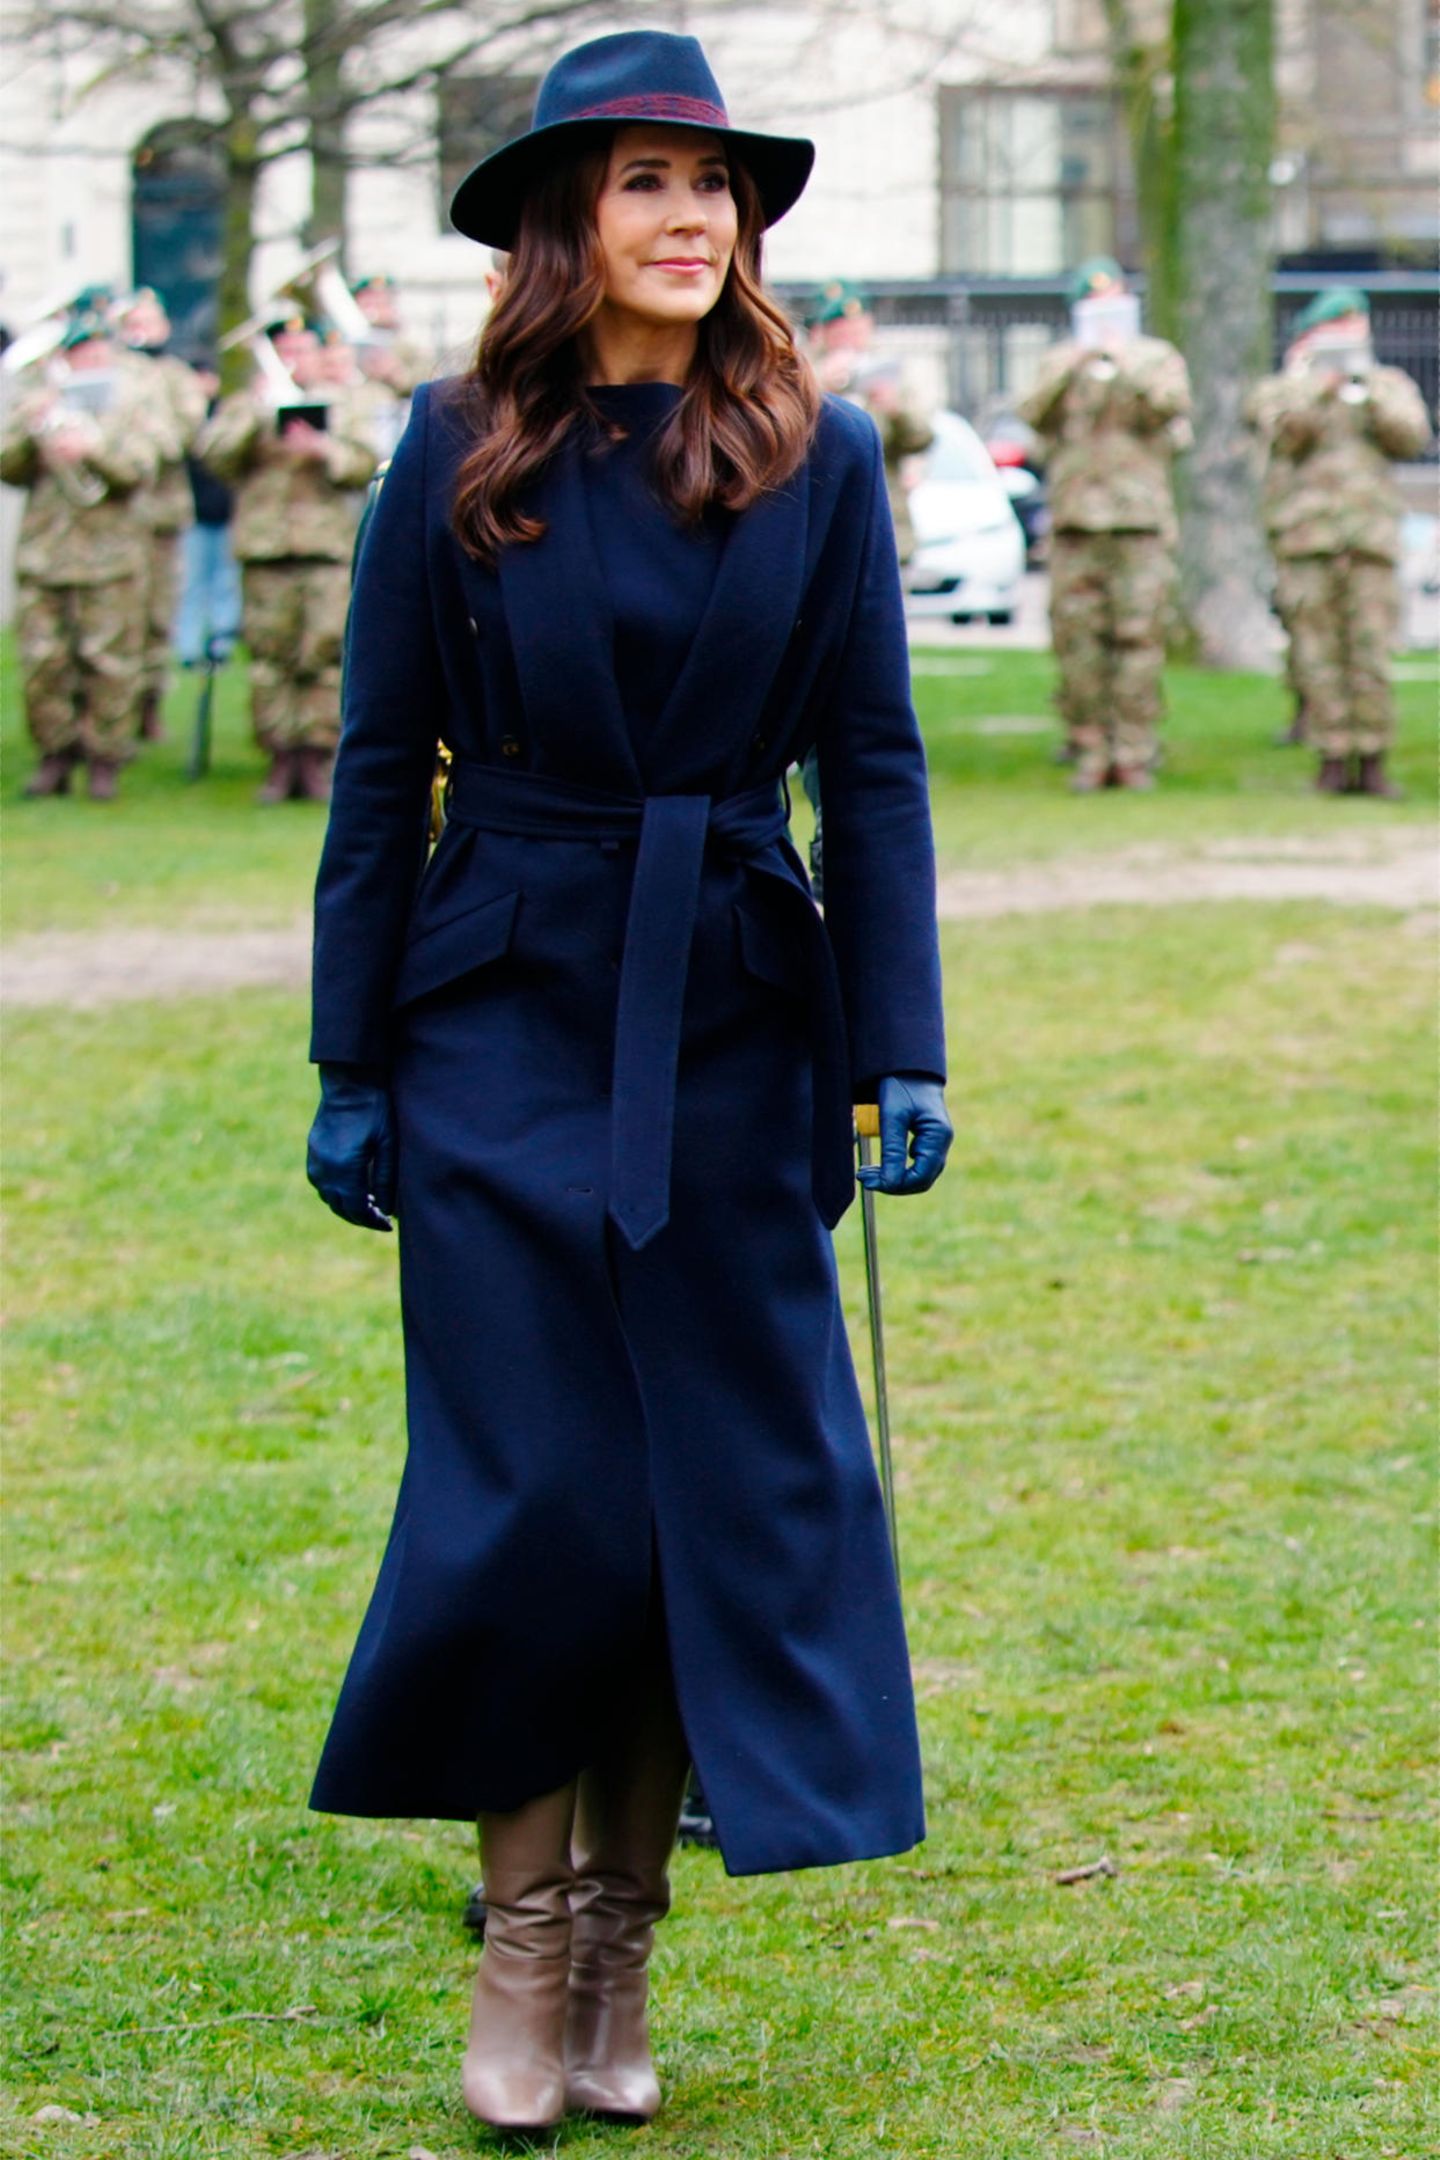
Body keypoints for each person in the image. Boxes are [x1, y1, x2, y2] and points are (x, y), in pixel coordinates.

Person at [303, 28, 952, 2137]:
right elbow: (377, 769)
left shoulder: (818, 452)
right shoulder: (453, 443)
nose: (695, 217)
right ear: (562, 222)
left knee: (701, 1508)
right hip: (496, 1009)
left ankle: (617, 1953)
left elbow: (872, 768)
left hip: (743, 1026)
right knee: (532, 1497)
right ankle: (516, 1940)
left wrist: (897, 1045)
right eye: (648, 181)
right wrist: (349, 1055)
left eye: (718, 185)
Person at [1244, 288, 1431, 798]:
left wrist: (1365, 390)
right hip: (1309, 539)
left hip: (1369, 538)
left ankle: (1371, 758)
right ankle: (1330, 755)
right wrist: (1315, 386)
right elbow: (1282, 437)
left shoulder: (1386, 384)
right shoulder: (1288, 388)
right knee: (1319, 653)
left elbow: (1410, 437)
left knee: (1369, 651)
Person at [1017, 257, 1192, 790]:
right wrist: (1076, 362)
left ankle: (1134, 750)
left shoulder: (1156, 359)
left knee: (1139, 641)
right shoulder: (1060, 361)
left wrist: (1125, 362)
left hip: (1138, 522)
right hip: (1076, 523)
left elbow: (1173, 407)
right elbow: (1031, 414)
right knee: (1079, 643)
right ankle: (1090, 748)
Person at [195, 313, 378, 801]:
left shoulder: (348, 401)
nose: (295, 359)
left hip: (326, 545)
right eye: (286, 350)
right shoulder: (250, 402)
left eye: (303, 349)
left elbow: (372, 459)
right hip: (266, 545)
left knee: (322, 651)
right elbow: (213, 455)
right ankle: (280, 756)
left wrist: (325, 450)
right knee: (270, 655)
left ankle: (317, 756)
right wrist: (255, 414)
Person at [2, 307, 160, 799]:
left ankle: (104, 760)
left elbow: (141, 468)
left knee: (110, 664)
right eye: (78, 352)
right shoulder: (40, 405)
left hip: (110, 556)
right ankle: (54, 755)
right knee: (45, 663)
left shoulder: (130, 405)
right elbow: (8, 468)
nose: (88, 360)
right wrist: (34, 427)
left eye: (96, 351)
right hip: (46, 555)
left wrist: (91, 451)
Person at [115, 287, 209, 740]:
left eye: (149, 320)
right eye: (134, 320)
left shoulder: (175, 376)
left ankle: (148, 703)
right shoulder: (112, 371)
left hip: (160, 512)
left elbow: (185, 431)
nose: (142, 330)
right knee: (118, 617)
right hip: (116, 518)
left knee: (155, 613)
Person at [173, 356, 242, 671]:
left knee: (225, 582)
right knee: (193, 584)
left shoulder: (227, 415)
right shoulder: (186, 421)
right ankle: (188, 647)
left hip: (227, 515)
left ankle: (221, 642)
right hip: (196, 517)